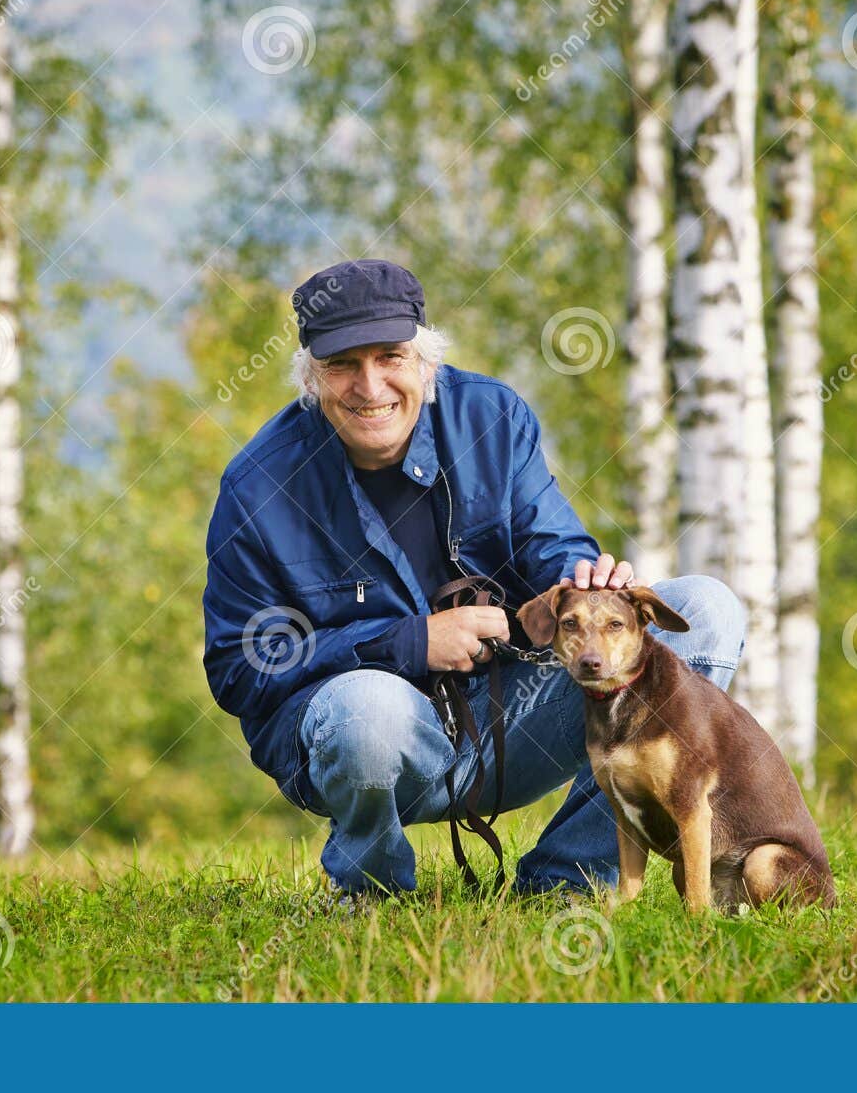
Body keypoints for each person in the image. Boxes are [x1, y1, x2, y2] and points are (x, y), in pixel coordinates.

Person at [202, 258, 746, 895]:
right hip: (365, 742)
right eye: (342, 363)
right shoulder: (257, 486)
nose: (369, 385)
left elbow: (552, 541)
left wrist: (583, 582)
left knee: (707, 610)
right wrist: (407, 642)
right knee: (369, 707)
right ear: (309, 375)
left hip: (508, 721)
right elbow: (239, 668)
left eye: (390, 357)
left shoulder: (491, 415)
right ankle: (372, 894)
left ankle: (567, 882)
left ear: (426, 359)